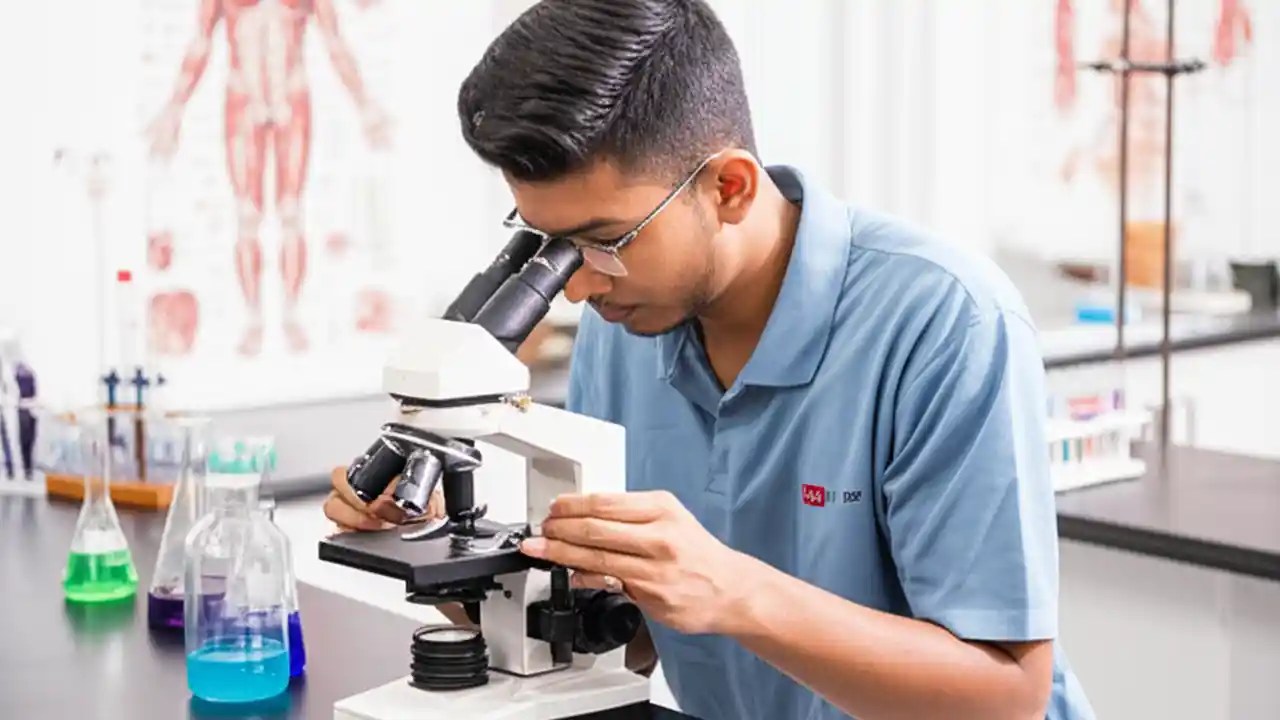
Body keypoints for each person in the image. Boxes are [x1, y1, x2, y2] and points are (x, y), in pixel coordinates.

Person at [324, 1, 1094, 718]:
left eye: (605, 241)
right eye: (547, 247)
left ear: (729, 187)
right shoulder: (623, 325)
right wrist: (441, 555)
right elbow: (626, 636)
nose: (577, 288)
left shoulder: (945, 322)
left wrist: (733, 590)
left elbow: (1007, 699)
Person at [148, 0, 390, 356]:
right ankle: (253, 317)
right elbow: (201, 40)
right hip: (242, 96)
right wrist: (174, 108)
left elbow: (333, 41)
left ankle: (290, 313)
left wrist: (365, 104)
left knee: (291, 213)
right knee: (247, 216)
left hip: (291, 95)